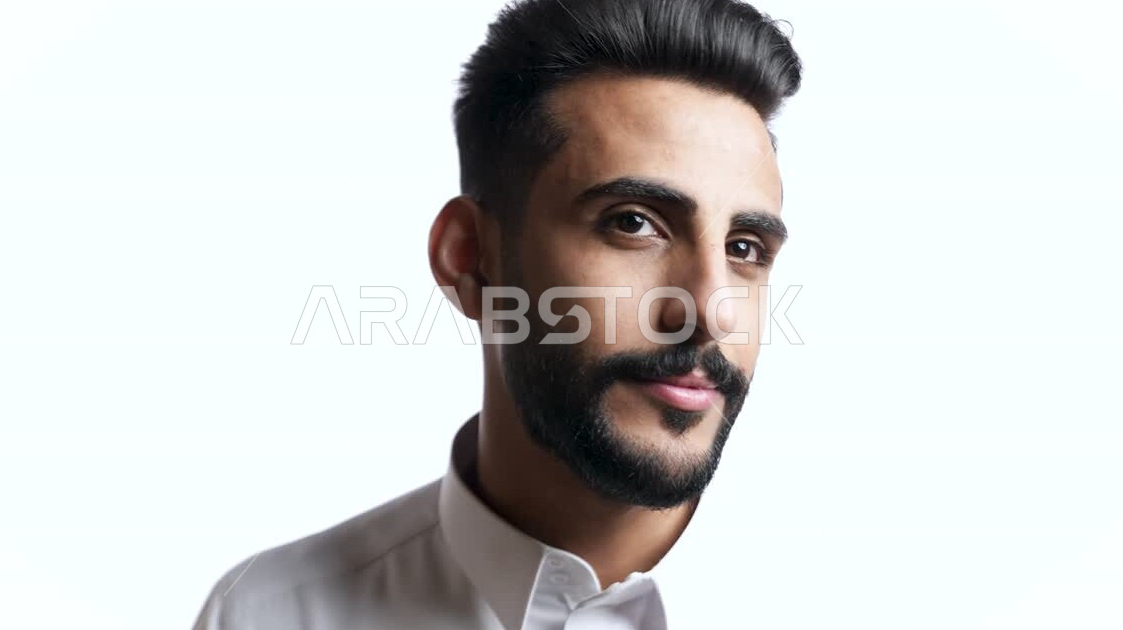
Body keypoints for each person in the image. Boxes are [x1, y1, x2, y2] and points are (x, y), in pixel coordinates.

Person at [191, 0, 802, 627]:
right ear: (472, 261)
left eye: (744, 248)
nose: (710, 310)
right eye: (633, 223)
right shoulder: (267, 615)